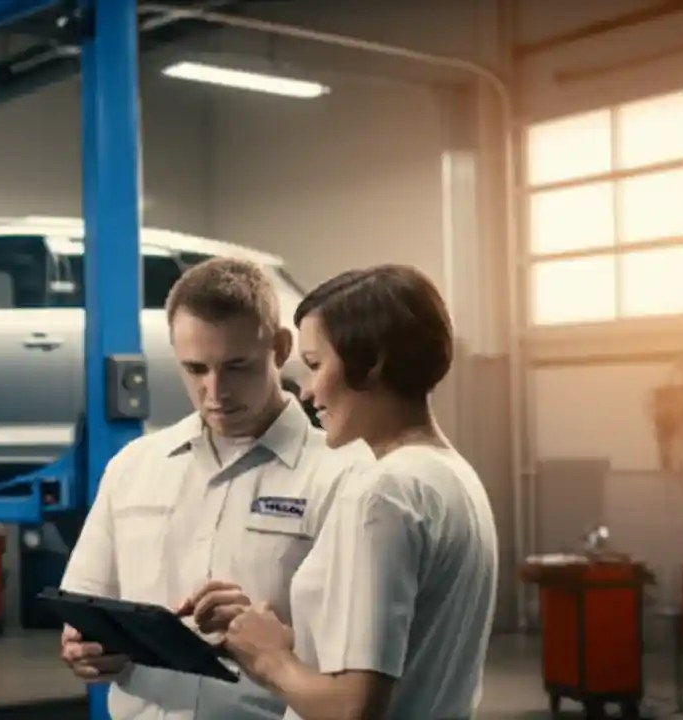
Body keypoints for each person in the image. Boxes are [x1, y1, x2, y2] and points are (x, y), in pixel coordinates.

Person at [58, 257, 374, 720]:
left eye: (236, 366)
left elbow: (362, 663)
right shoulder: (133, 467)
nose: (215, 391)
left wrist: (266, 638)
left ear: (280, 347)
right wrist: (85, 648)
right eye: (195, 369)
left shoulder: (343, 474)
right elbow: (83, 607)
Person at [197, 264, 499, 720]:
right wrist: (274, 637)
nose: (309, 390)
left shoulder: (383, 493)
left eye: (317, 365)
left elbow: (351, 707)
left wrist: (270, 659)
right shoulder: (453, 479)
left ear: (372, 361)